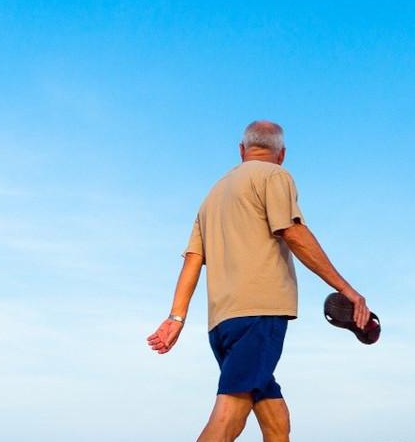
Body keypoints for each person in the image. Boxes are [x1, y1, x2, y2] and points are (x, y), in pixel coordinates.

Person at [147, 120, 372, 442]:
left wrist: (176, 317)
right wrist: (346, 289)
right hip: (259, 313)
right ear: (282, 154)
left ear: (242, 150)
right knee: (228, 419)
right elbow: (292, 232)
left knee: (274, 416)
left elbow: (193, 259)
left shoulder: (212, 196)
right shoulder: (275, 176)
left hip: (221, 325)